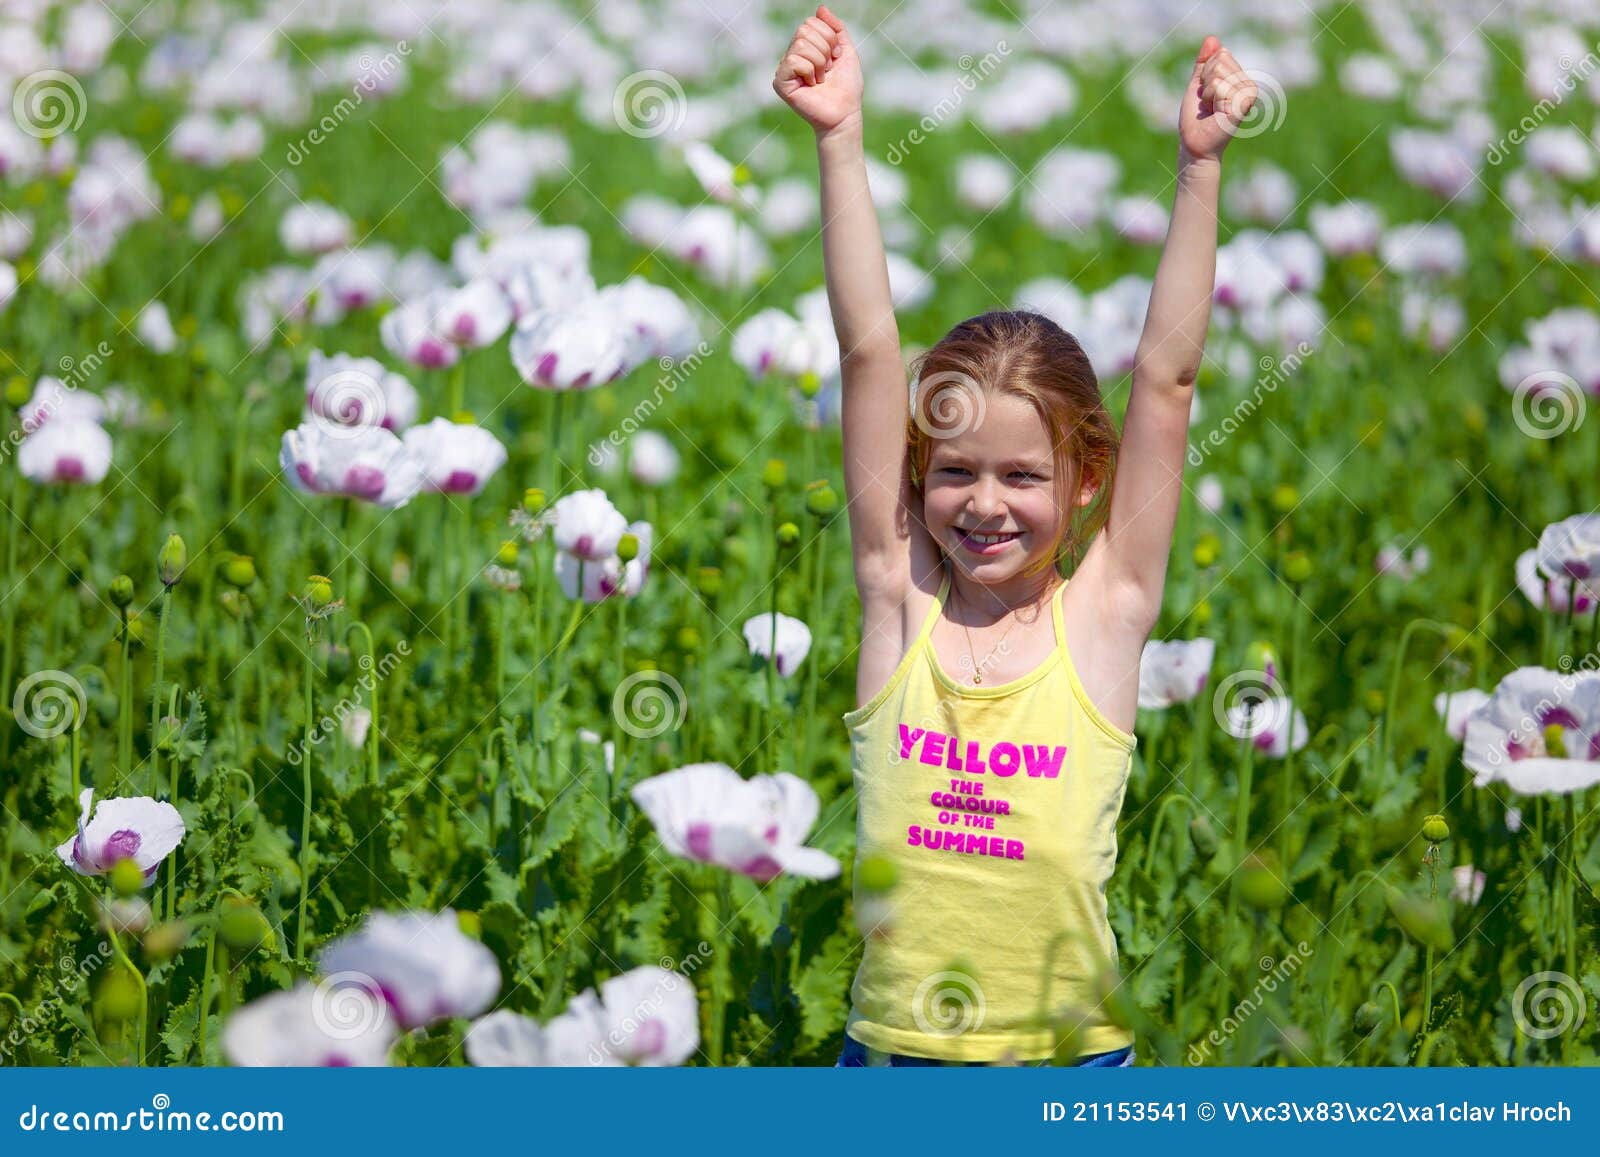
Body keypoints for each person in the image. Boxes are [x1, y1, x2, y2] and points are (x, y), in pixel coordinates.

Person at [771, 5, 1257, 1067]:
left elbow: (1167, 385)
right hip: (888, 1065)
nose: (983, 502)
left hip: (1066, 1068)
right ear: (916, 473)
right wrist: (839, 138)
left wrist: (1198, 170)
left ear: (1087, 480)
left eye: (1022, 475)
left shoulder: (1106, 615)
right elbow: (865, 350)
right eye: (953, 470)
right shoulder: (899, 598)